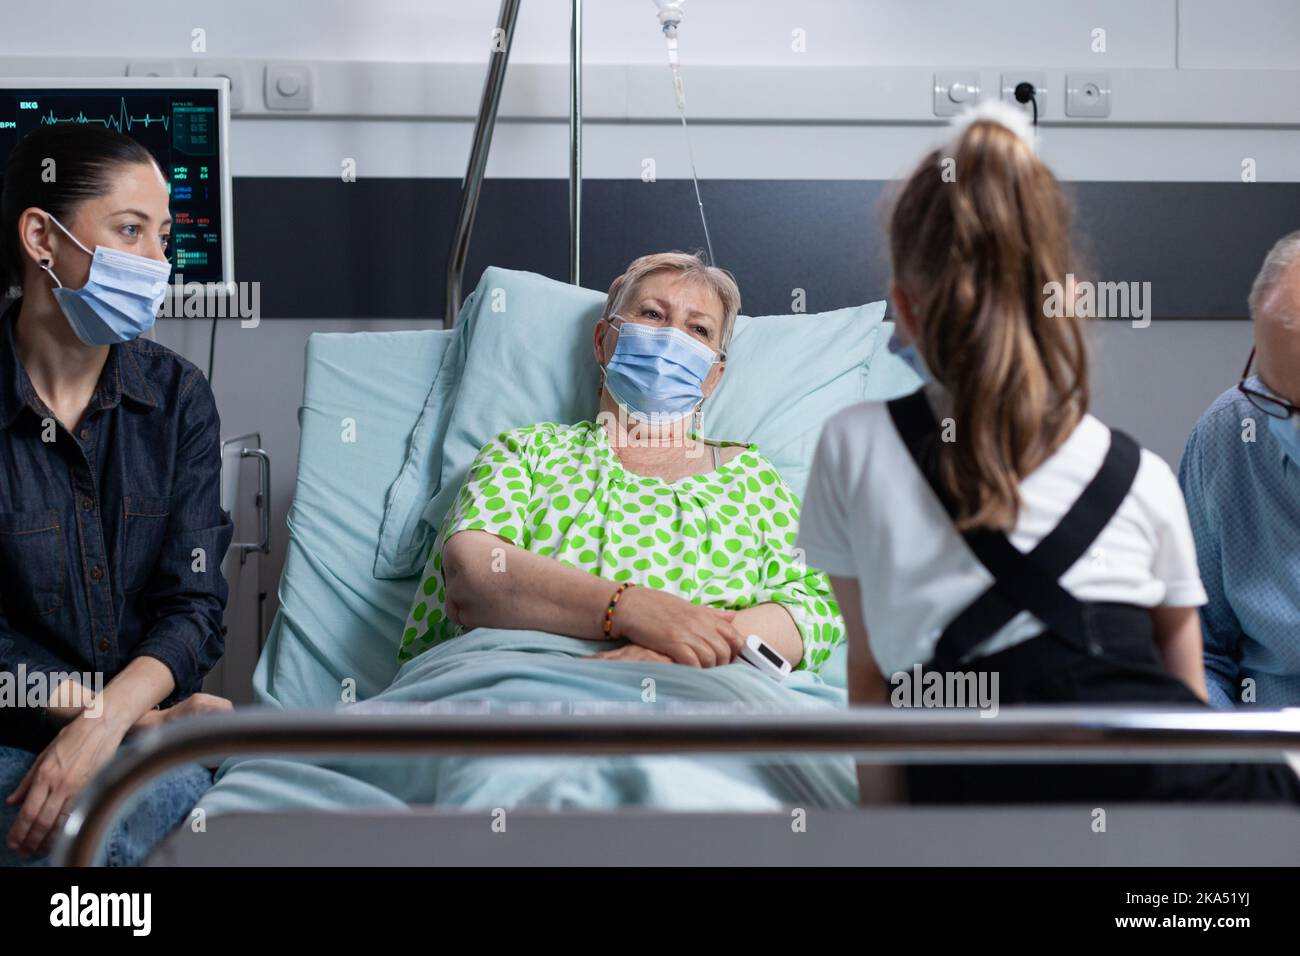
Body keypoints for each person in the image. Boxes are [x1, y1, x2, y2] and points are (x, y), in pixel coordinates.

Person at [796, 100, 1299, 804]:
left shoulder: (850, 447)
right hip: (1163, 798)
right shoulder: (1143, 478)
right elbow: (1191, 711)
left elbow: (873, 679)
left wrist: (889, 843)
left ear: (904, 309)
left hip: (967, 789)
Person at [397, 251, 843, 675]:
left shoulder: (750, 479)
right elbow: (473, 573)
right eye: (652, 314)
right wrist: (629, 609)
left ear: (713, 376)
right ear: (602, 340)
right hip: (522, 683)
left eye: (699, 330)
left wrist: (676, 653)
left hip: (703, 689)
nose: (673, 337)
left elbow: (814, 607)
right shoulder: (528, 452)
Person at [0, 125, 233, 864]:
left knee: (112, 842)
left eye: (164, 238)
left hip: (143, 732)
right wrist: (121, 720)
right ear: (42, 236)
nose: (158, 264)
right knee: (46, 846)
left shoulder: (178, 400)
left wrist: (110, 724)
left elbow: (193, 605)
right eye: (131, 231)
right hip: (80, 730)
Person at [1179, 231, 1300, 709]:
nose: (1290, 423)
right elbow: (1202, 652)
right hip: (1268, 763)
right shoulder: (1229, 435)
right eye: (1274, 395)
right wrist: (1233, 766)